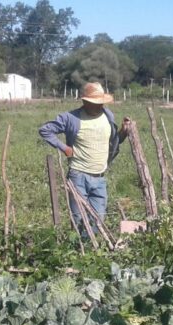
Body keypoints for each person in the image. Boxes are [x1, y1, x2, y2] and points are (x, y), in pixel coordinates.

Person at [39, 82, 129, 236]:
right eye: (95, 103)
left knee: (98, 220)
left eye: (101, 103)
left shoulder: (108, 116)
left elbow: (114, 141)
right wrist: (64, 148)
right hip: (78, 177)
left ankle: (91, 252)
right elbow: (45, 130)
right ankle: (81, 251)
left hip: (100, 178)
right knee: (80, 220)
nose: (99, 106)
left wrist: (124, 132)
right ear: (85, 101)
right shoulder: (71, 118)